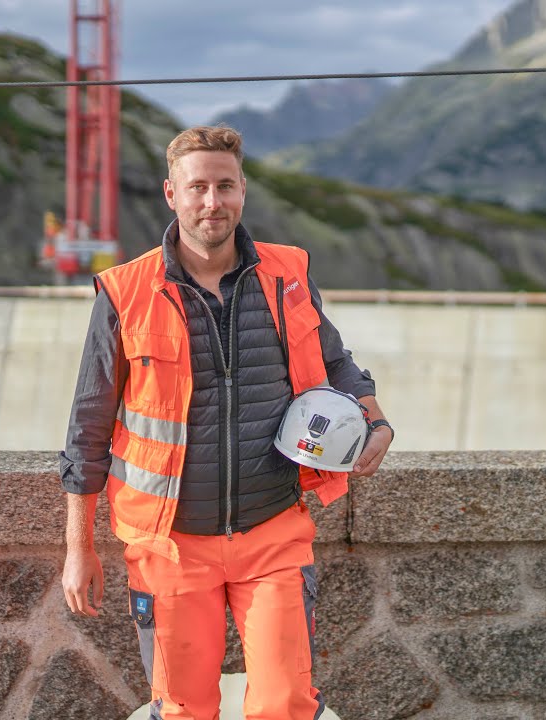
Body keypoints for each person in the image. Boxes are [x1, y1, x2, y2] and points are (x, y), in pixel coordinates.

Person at [58, 124, 394, 720]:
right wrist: (78, 547)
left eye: (225, 186)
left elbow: (336, 363)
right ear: (172, 194)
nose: (212, 202)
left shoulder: (288, 274)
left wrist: (377, 421)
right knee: (183, 710)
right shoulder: (125, 292)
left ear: (242, 190)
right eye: (197, 188)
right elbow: (88, 427)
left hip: (273, 532)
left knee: (286, 705)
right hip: (171, 545)